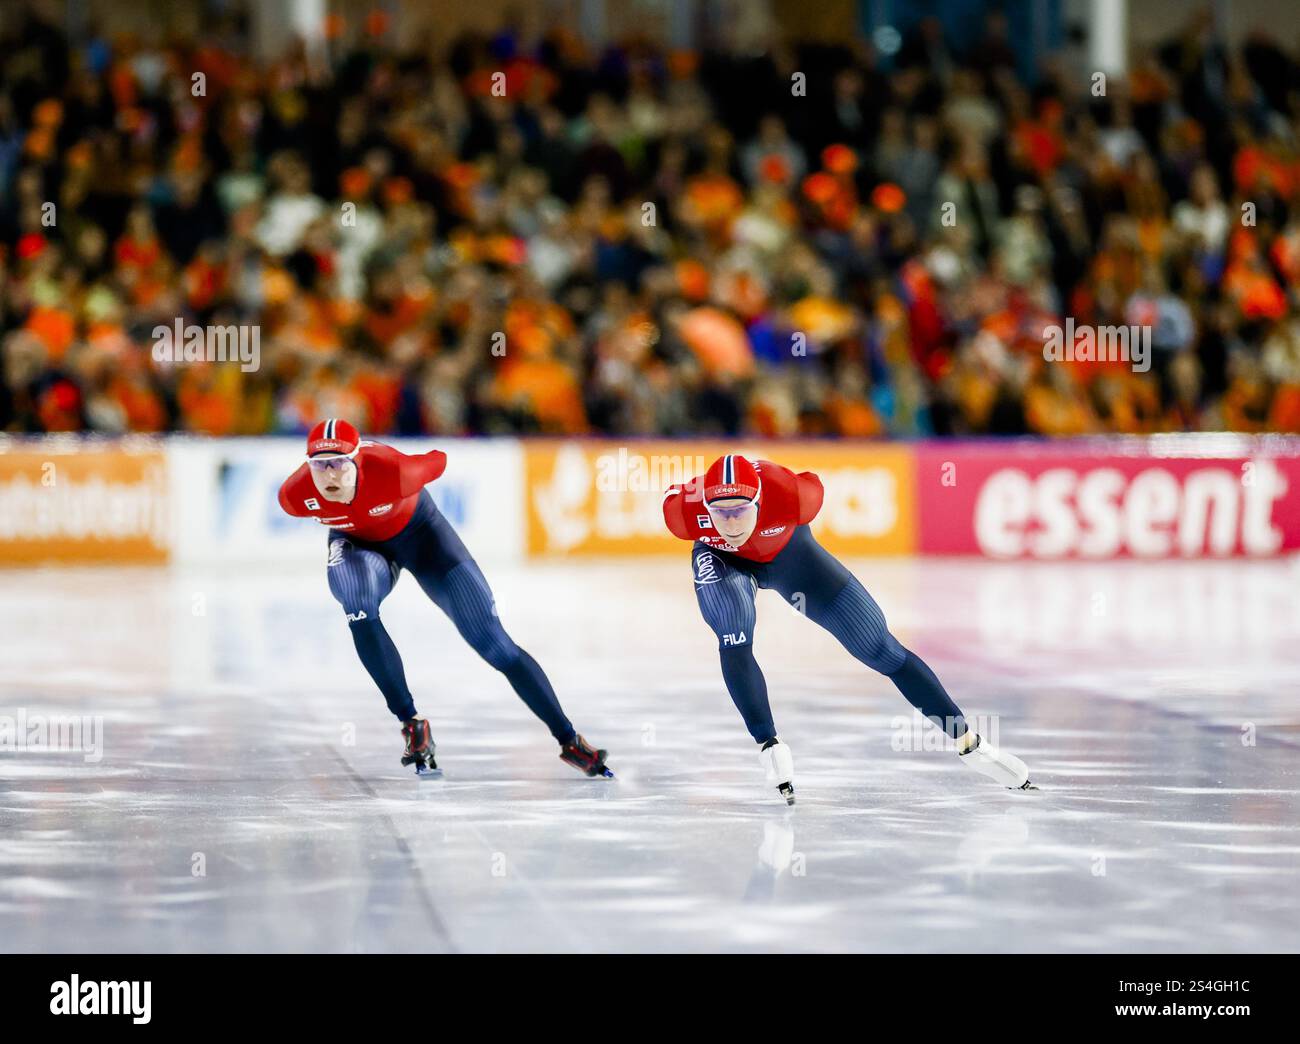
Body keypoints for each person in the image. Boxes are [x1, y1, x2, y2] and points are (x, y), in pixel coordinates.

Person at [662, 453, 1032, 803]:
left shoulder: (792, 494)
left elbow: (813, 482)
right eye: (719, 514)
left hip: (793, 560)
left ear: (759, 501)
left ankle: (968, 743)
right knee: (734, 634)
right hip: (725, 564)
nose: (730, 525)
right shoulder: (684, 513)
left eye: (740, 511)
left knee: (880, 650)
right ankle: (769, 745)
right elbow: (675, 499)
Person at [277, 418, 611, 778]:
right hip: (360, 547)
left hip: (424, 539)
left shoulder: (396, 471)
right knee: (355, 601)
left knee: (493, 643)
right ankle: (411, 723)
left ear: (358, 461)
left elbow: (439, 458)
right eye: (319, 465)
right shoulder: (295, 496)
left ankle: (568, 739)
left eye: (339, 464)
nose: (329, 476)